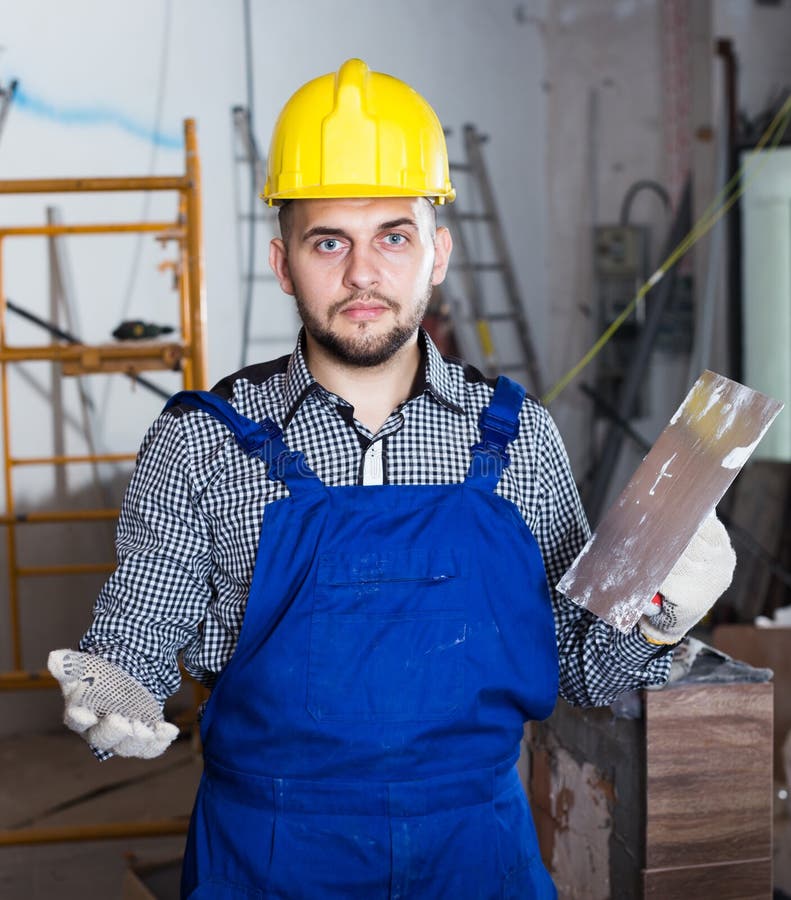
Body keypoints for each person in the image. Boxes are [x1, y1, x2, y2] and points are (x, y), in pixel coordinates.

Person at [49, 59, 736, 899]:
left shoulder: (519, 439)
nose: (362, 274)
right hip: (267, 854)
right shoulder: (203, 442)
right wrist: (117, 686)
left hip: (474, 853)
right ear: (282, 260)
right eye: (328, 241)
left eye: (393, 236)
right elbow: (143, 628)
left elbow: (583, 669)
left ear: (436, 251)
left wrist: (656, 605)